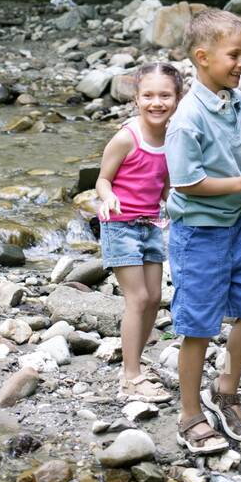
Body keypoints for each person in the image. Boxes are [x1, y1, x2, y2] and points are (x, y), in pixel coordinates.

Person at [165, 7, 241, 454]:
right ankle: (189, 414)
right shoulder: (187, 120)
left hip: (235, 227)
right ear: (202, 57)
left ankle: (226, 388)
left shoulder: (240, 103)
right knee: (198, 326)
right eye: (235, 55)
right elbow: (186, 182)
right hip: (198, 233)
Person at [95, 62, 183, 403]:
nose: (156, 103)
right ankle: (129, 377)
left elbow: (163, 185)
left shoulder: (173, 137)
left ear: (178, 98)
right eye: (148, 95)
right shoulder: (126, 138)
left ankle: (135, 363)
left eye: (165, 95)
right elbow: (103, 179)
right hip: (119, 225)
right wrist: (109, 196)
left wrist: (177, 203)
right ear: (136, 99)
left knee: (154, 299)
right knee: (139, 299)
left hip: (150, 225)